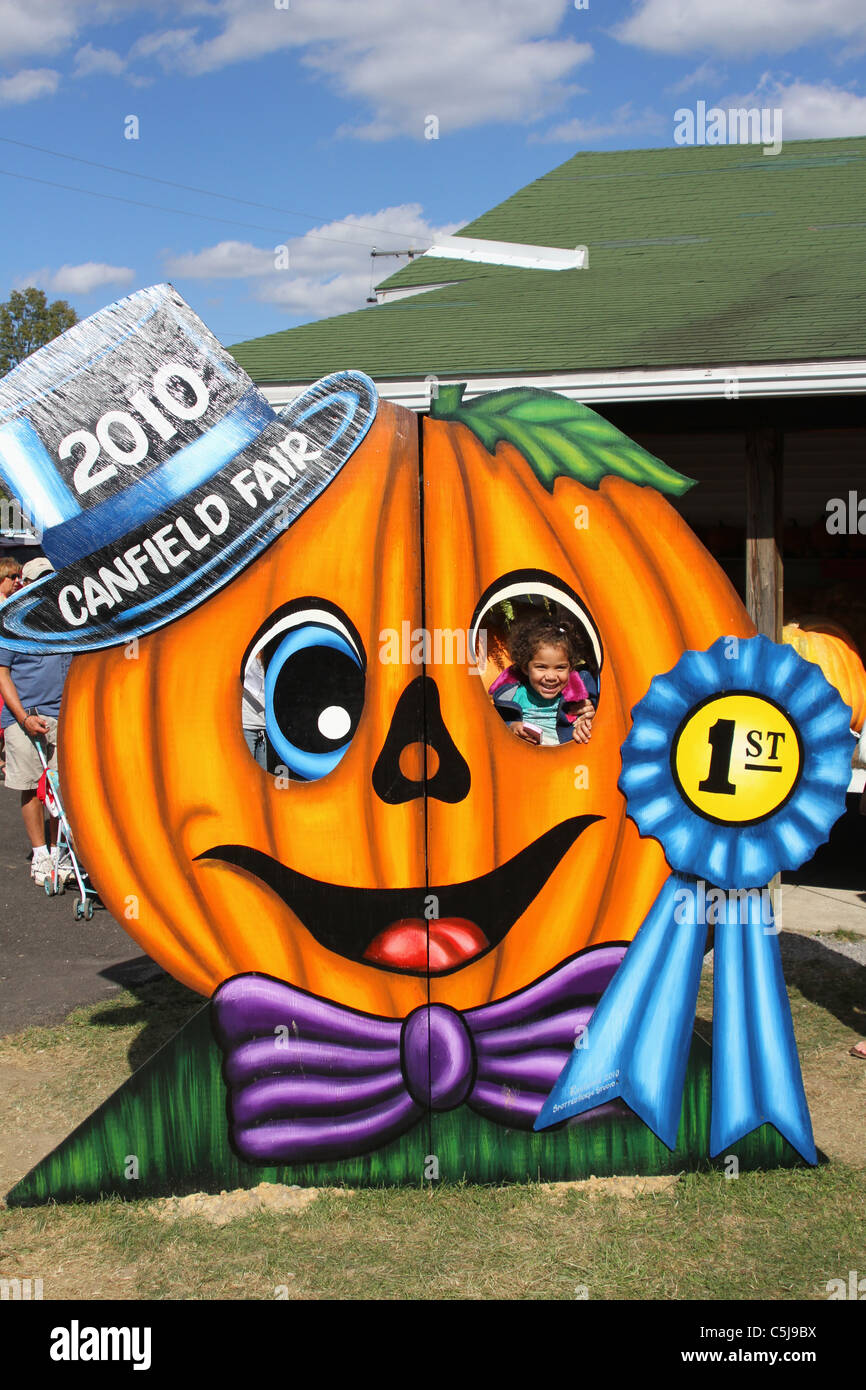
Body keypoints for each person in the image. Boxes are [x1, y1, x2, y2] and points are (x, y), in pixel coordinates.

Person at [0, 556, 71, 884]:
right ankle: (40, 853)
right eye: (39, 580)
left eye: (50, 579)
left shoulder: (68, 619)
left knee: (59, 788)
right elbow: (2, 673)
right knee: (30, 786)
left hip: (62, 715)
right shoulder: (12, 622)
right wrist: (22, 717)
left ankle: (59, 850)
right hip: (25, 716)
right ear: (26, 585)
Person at [490, 616, 596, 746]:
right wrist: (511, 726)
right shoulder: (514, 696)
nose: (551, 676)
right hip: (526, 760)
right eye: (541, 667)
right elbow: (493, 724)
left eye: (560, 667)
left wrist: (589, 718)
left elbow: (599, 714)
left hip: (568, 760)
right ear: (525, 668)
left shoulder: (576, 696)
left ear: (571, 668)